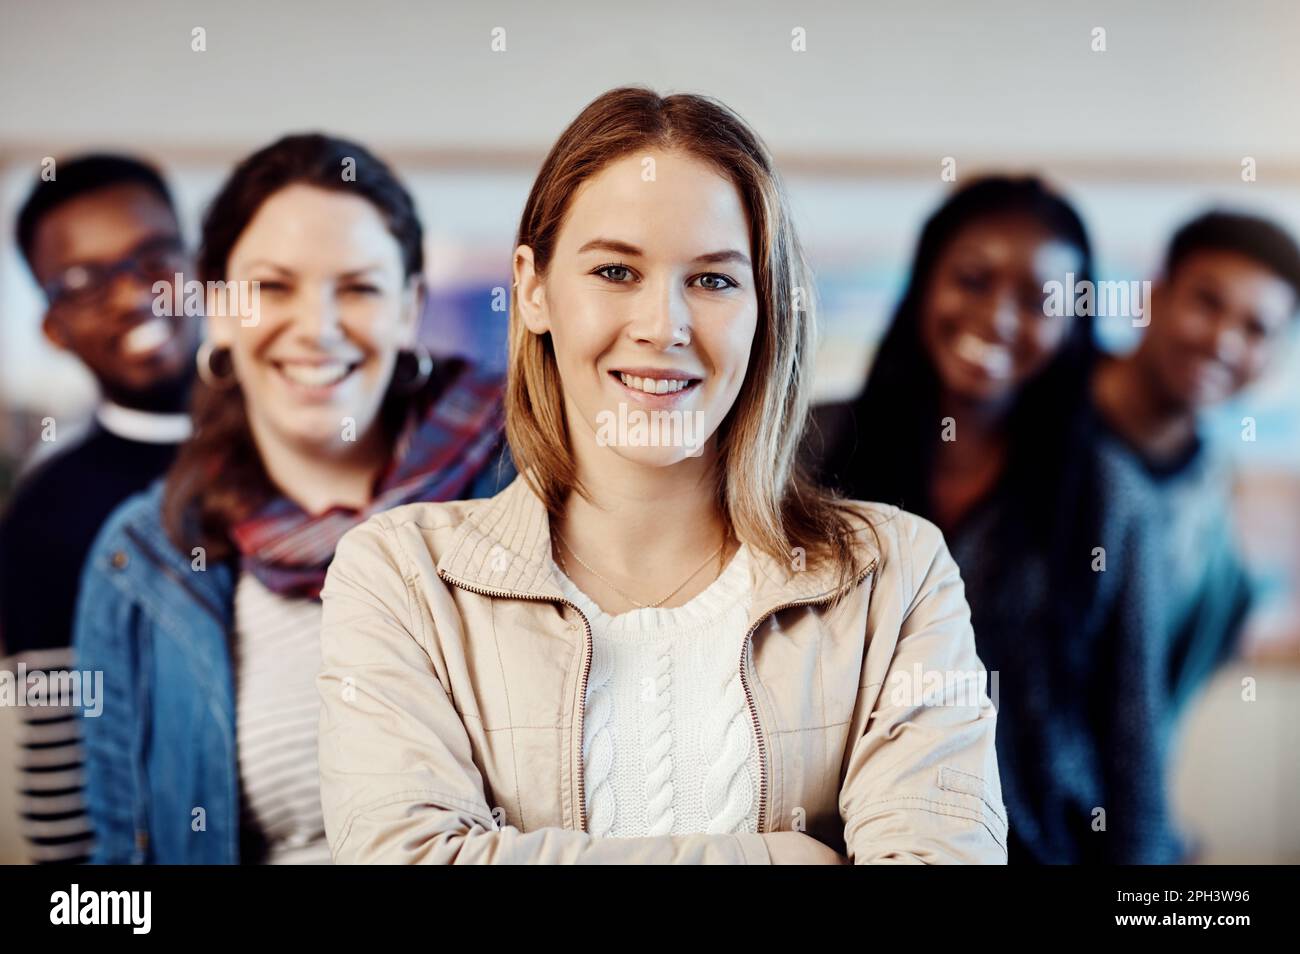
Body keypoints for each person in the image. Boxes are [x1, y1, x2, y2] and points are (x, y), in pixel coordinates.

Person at [316, 87, 1007, 865]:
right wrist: (792, 856)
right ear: (535, 288)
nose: (663, 327)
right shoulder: (402, 579)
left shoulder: (897, 575)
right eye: (616, 271)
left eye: (713, 281)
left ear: (764, 306)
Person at [72, 133, 514, 864]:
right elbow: (124, 865)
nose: (317, 328)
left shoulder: (531, 487)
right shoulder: (142, 557)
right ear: (216, 306)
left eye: (360, 288)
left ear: (409, 309)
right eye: (273, 287)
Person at [816, 176, 1184, 864]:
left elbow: (1133, 733)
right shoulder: (810, 450)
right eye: (973, 279)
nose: (999, 316)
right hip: (843, 845)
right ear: (925, 283)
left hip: (1047, 847)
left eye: (1039, 299)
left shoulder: (1112, 497)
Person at [0, 154, 196, 864]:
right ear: (52, 325)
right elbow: (61, 798)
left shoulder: (298, 441)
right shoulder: (47, 517)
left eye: (153, 256)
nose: (130, 295)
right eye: (83, 281)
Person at [1091, 211, 1300, 747]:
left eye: (1256, 329)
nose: (1223, 342)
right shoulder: (1034, 423)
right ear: (1154, 297)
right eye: (1207, 303)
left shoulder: (1210, 481)